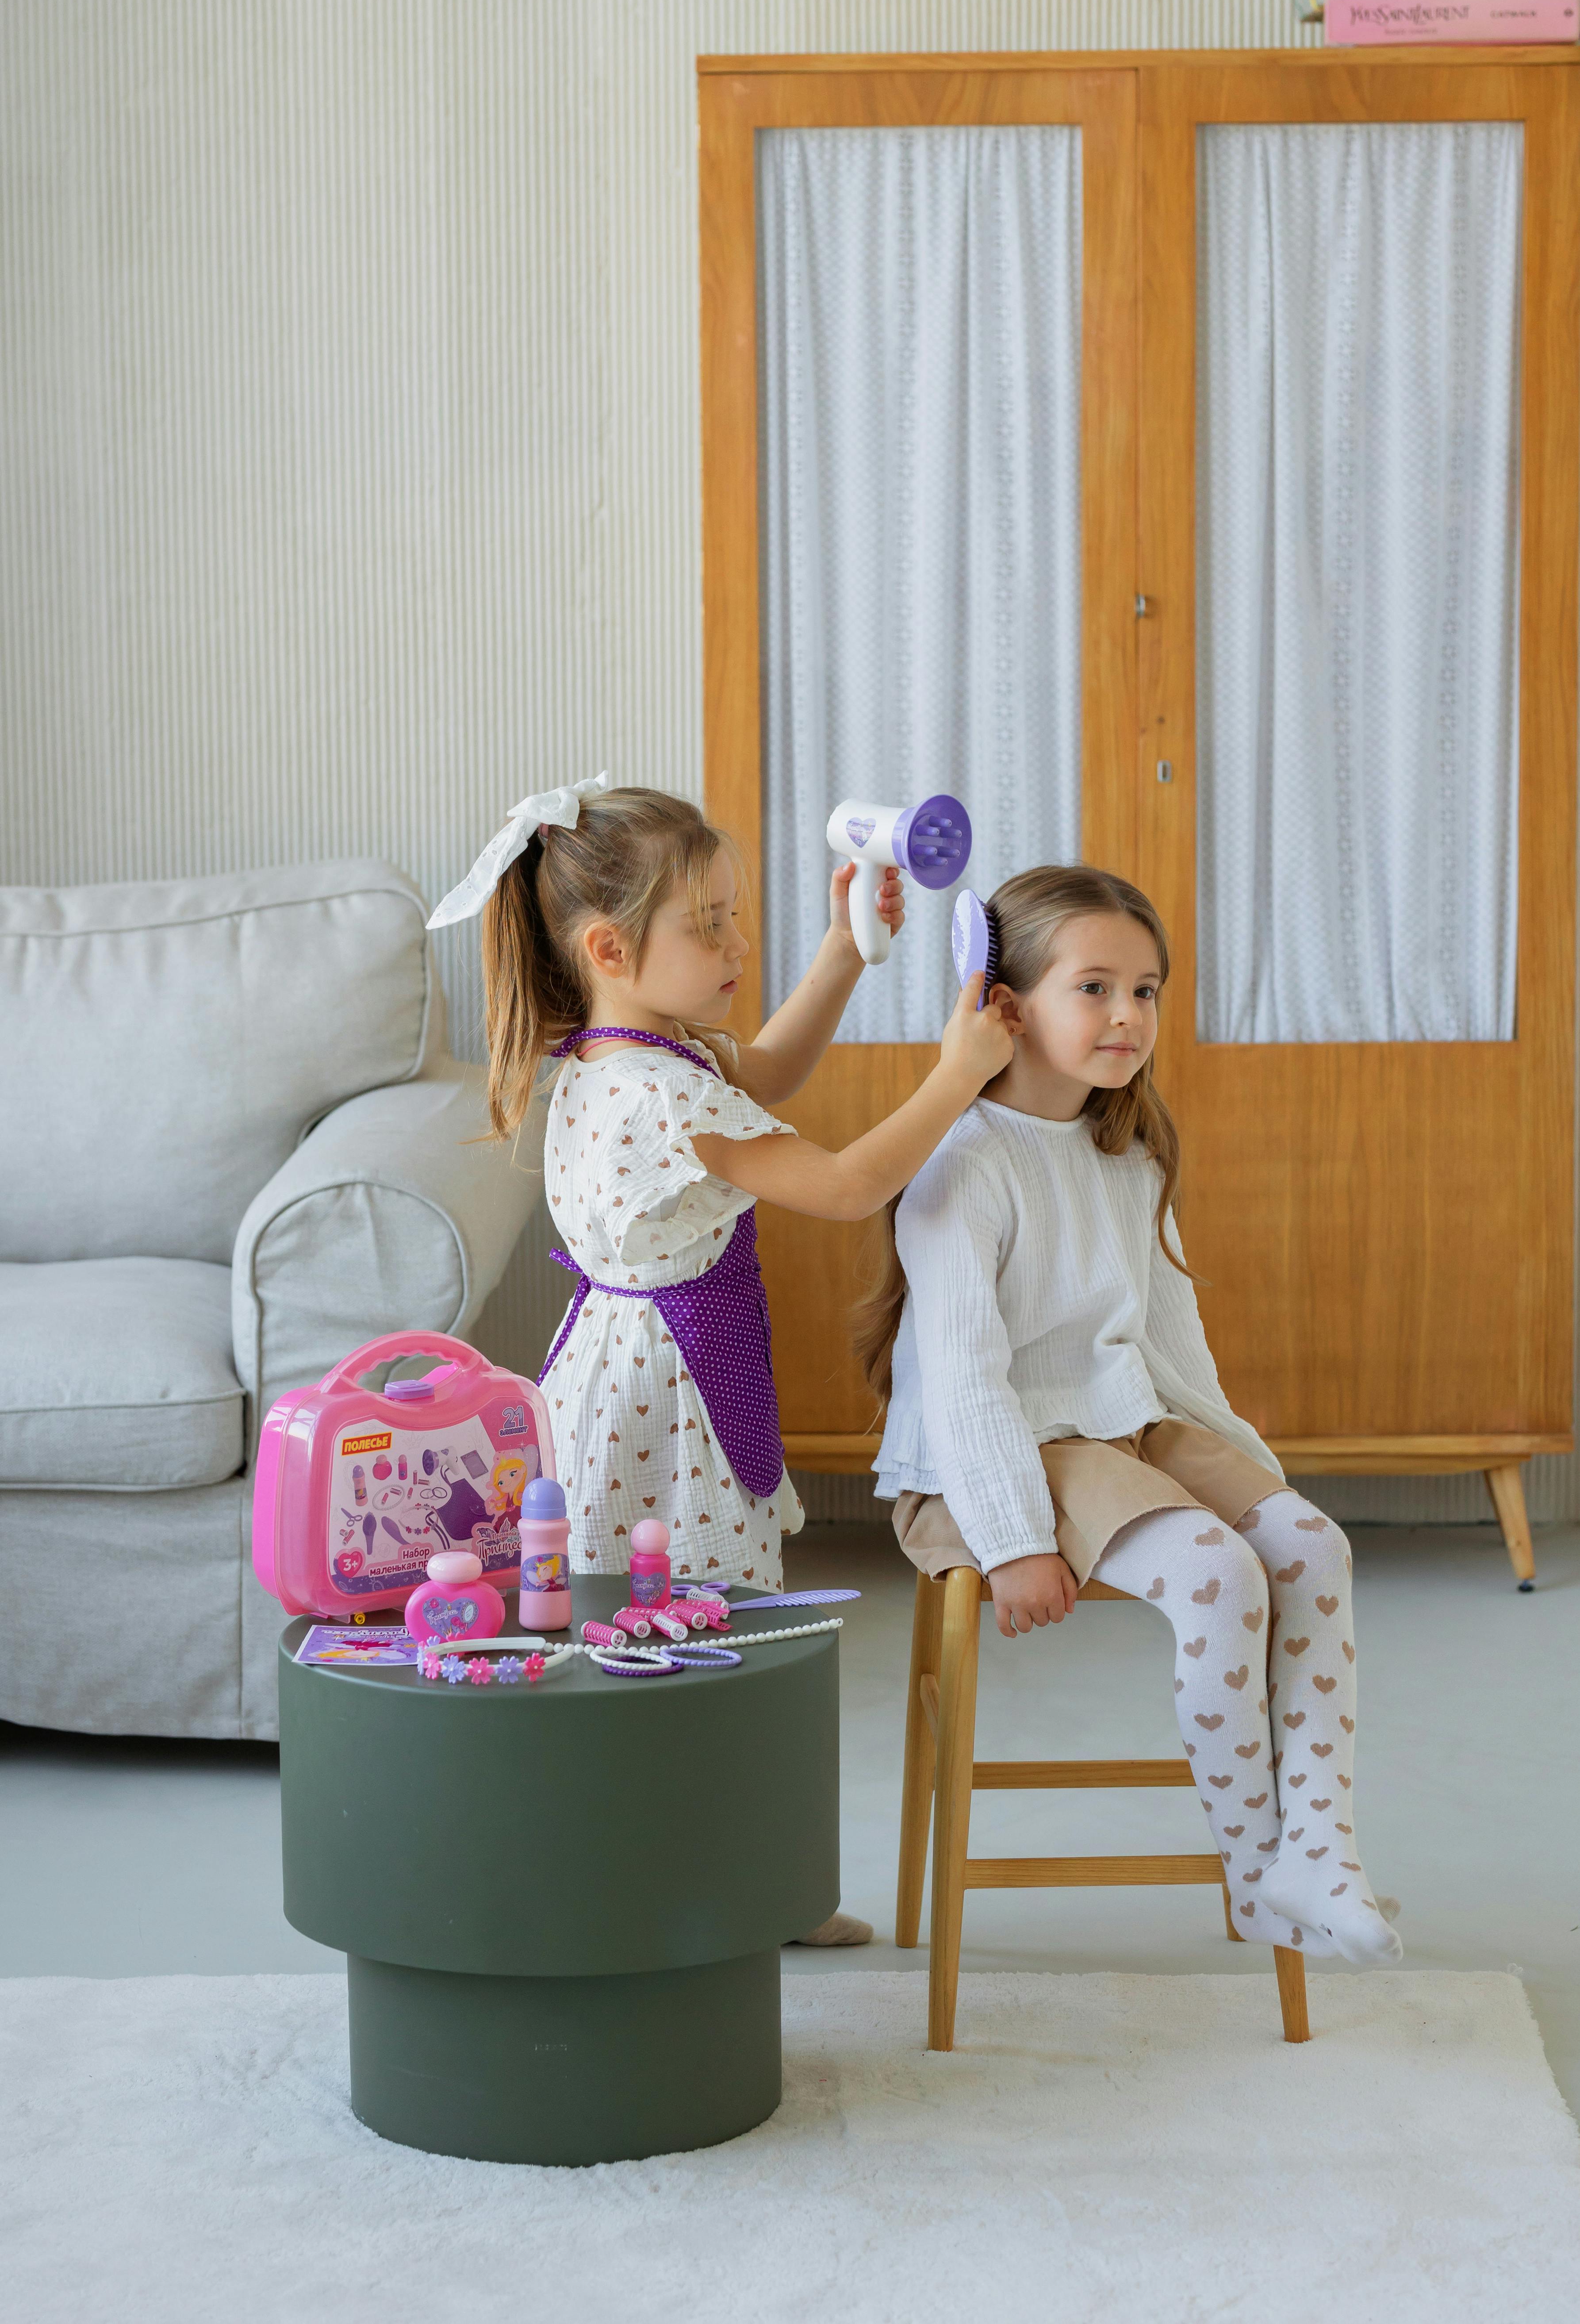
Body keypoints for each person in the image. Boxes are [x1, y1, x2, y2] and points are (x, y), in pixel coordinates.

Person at [429, 773, 1012, 1945]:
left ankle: (718, 1882)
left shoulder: (627, 1051)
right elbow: (848, 1187)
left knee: (668, 1628)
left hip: (630, 1367)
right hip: (666, 1395)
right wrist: (957, 1073)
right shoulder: (655, 1091)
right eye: (709, 925)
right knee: (693, 1630)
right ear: (607, 944)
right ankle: (703, 1890)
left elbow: (770, 1073)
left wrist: (848, 950)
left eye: (737, 915)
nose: (736, 941)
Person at [862, 864, 1401, 1966]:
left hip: (1124, 1426)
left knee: (1307, 1545)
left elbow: (1171, 1346)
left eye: (1145, 991)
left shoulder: (1130, 1152)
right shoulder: (958, 1169)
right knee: (1213, 1572)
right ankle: (1257, 1877)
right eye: (1094, 987)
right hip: (998, 1451)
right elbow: (967, 1381)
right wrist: (1013, 1543)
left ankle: (1320, 1851)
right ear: (1002, 1005)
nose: (1127, 1016)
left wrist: (1254, 1479)